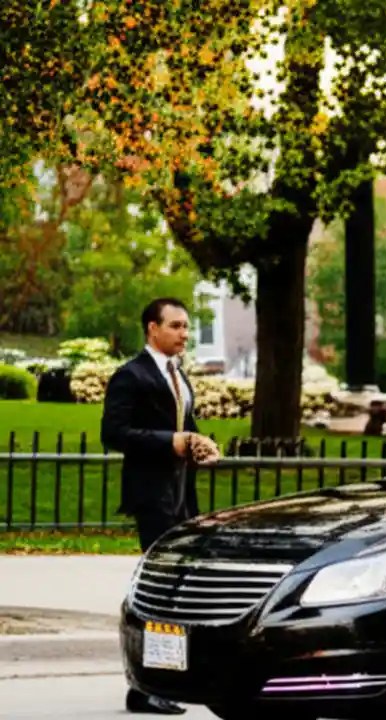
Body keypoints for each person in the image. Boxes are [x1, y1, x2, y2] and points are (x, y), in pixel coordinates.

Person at [101, 297, 220, 715]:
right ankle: (146, 686)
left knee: (176, 592)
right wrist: (168, 442)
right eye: (176, 326)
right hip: (152, 497)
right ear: (152, 328)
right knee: (161, 594)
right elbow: (113, 434)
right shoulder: (130, 375)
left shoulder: (178, 376)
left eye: (186, 326)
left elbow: (184, 428)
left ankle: (161, 681)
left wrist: (199, 443)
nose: (184, 334)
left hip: (181, 495)